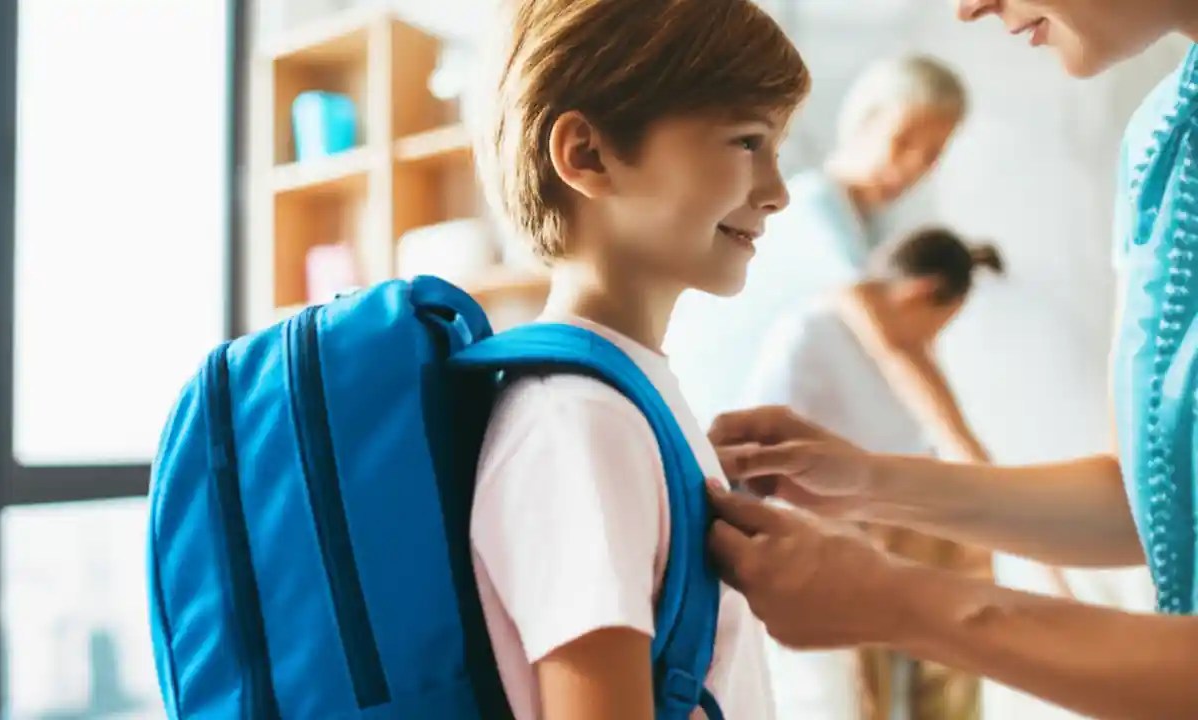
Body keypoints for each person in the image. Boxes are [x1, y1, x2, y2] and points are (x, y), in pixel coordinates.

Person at [704, 1, 1198, 717]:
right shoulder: (1157, 145)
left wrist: (902, 602)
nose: (969, 6)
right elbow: (1146, 505)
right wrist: (870, 481)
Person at [467, 1, 810, 718]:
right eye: (748, 142)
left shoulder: (623, 395)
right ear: (587, 155)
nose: (777, 193)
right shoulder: (578, 420)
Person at [746, 227, 1004, 720]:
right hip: (819, 525)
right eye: (936, 325)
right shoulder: (816, 330)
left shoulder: (889, 352)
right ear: (918, 295)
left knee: (968, 589)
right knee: (857, 674)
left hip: (882, 518)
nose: (932, 343)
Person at [667, 55, 969, 427]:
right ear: (865, 122)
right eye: (902, 141)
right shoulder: (815, 208)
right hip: (706, 423)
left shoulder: (873, 230)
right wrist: (969, 456)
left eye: (931, 154)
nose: (912, 166)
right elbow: (889, 340)